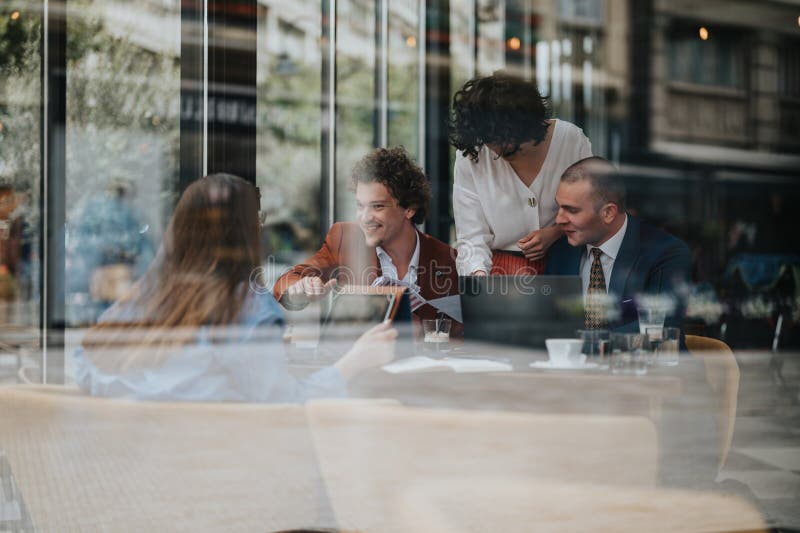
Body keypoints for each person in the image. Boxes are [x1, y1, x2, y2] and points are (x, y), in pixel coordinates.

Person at [75, 173, 396, 403]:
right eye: (256, 218)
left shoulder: (148, 297)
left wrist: (138, 397)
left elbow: (87, 362)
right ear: (244, 230)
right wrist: (356, 361)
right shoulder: (247, 308)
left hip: (133, 482)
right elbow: (286, 404)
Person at [273, 147, 462, 335]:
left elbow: (460, 332)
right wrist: (298, 290)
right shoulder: (345, 240)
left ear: (409, 209)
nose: (365, 217)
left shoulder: (446, 258)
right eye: (360, 206)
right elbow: (285, 282)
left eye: (377, 207)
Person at [449, 71, 592, 276]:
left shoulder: (570, 140)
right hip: (498, 273)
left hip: (568, 266)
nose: (499, 150)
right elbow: (472, 237)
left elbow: (592, 210)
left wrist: (556, 232)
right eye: (492, 142)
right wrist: (478, 277)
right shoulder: (471, 155)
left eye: (510, 143)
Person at [545, 157, 691, 332]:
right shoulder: (560, 252)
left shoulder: (666, 253)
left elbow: (657, 328)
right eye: (559, 207)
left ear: (608, 213)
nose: (559, 220)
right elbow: (549, 322)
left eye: (572, 210)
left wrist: (589, 346)